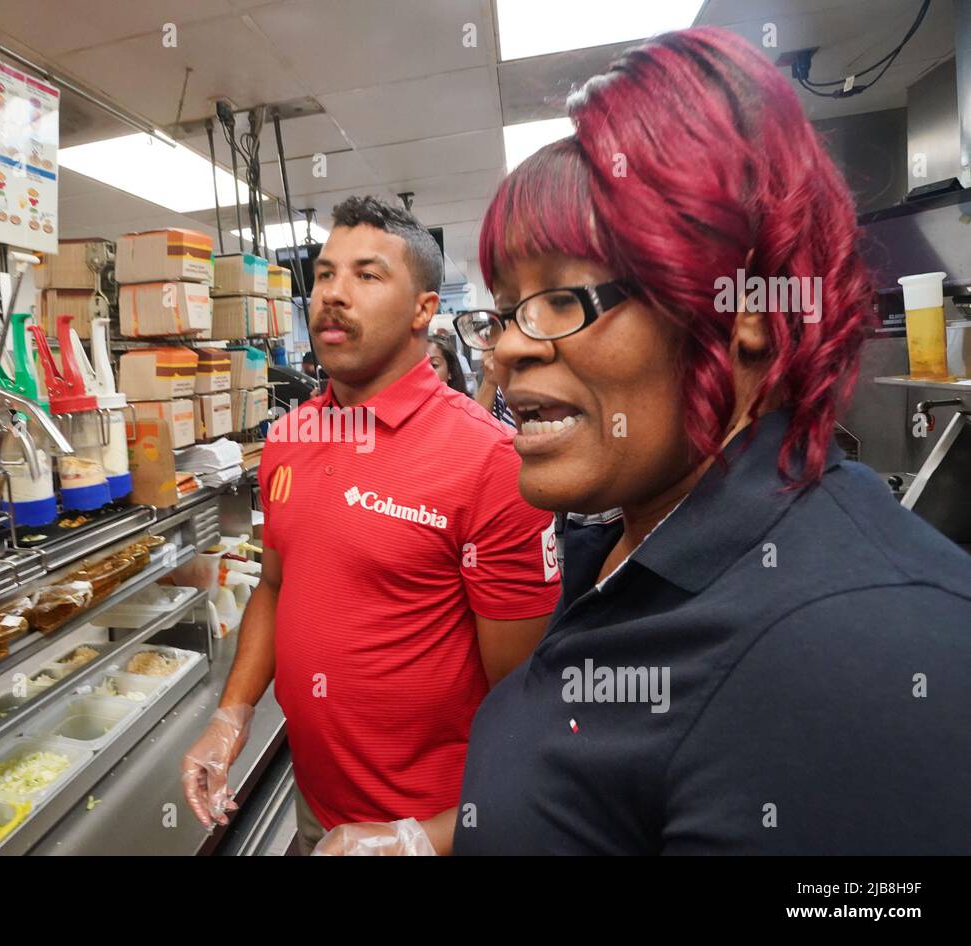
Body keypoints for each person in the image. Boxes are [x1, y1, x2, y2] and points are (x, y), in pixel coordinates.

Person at [318, 26, 971, 855]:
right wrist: (428, 843)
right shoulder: (626, 539)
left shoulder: (865, 657)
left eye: (563, 297)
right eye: (506, 306)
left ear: (748, 313)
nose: (510, 345)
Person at [181, 195, 562, 855]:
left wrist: (419, 840)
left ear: (423, 309)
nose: (333, 293)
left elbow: (528, 705)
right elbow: (275, 586)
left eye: (367, 274)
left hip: (440, 826)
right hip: (319, 809)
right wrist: (232, 712)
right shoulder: (290, 437)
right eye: (325, 274)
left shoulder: (490, 462)